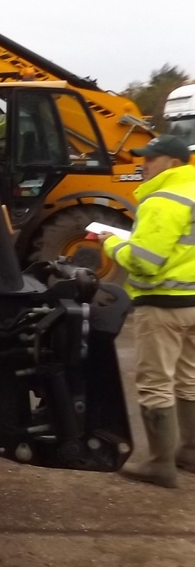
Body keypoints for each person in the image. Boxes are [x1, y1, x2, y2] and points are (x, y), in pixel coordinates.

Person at [91, 133, 195, 487]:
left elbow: (145, 262)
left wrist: (114, 243)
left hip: (163, 305)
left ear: (173, 162)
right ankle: (189, 453)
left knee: (155, 384)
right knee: (189, 379)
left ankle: (159, 464)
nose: (144, 164)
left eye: (151, 158)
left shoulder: (161, 200)